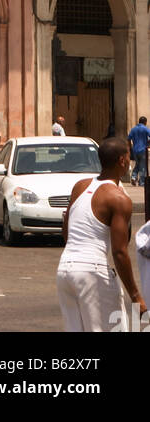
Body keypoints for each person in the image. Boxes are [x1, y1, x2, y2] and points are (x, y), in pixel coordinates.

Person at [57, 136, 145, 332]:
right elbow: (119, 252)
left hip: (65, 270)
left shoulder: (80, 186)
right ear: (122, 160)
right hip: (92, 271)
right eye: (128, 156)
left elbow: (67, 231)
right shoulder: (119, 198)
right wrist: (135, 295)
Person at [129, 116, 150, 187]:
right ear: (145, 122)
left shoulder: (133, 129)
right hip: (143, 150)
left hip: (135, 150)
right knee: (142, 167)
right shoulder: (145, 129)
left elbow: (128, 138)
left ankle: (133, 177)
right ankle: (141, 182)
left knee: (137, 164)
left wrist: (130, 147)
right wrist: (148, 144)